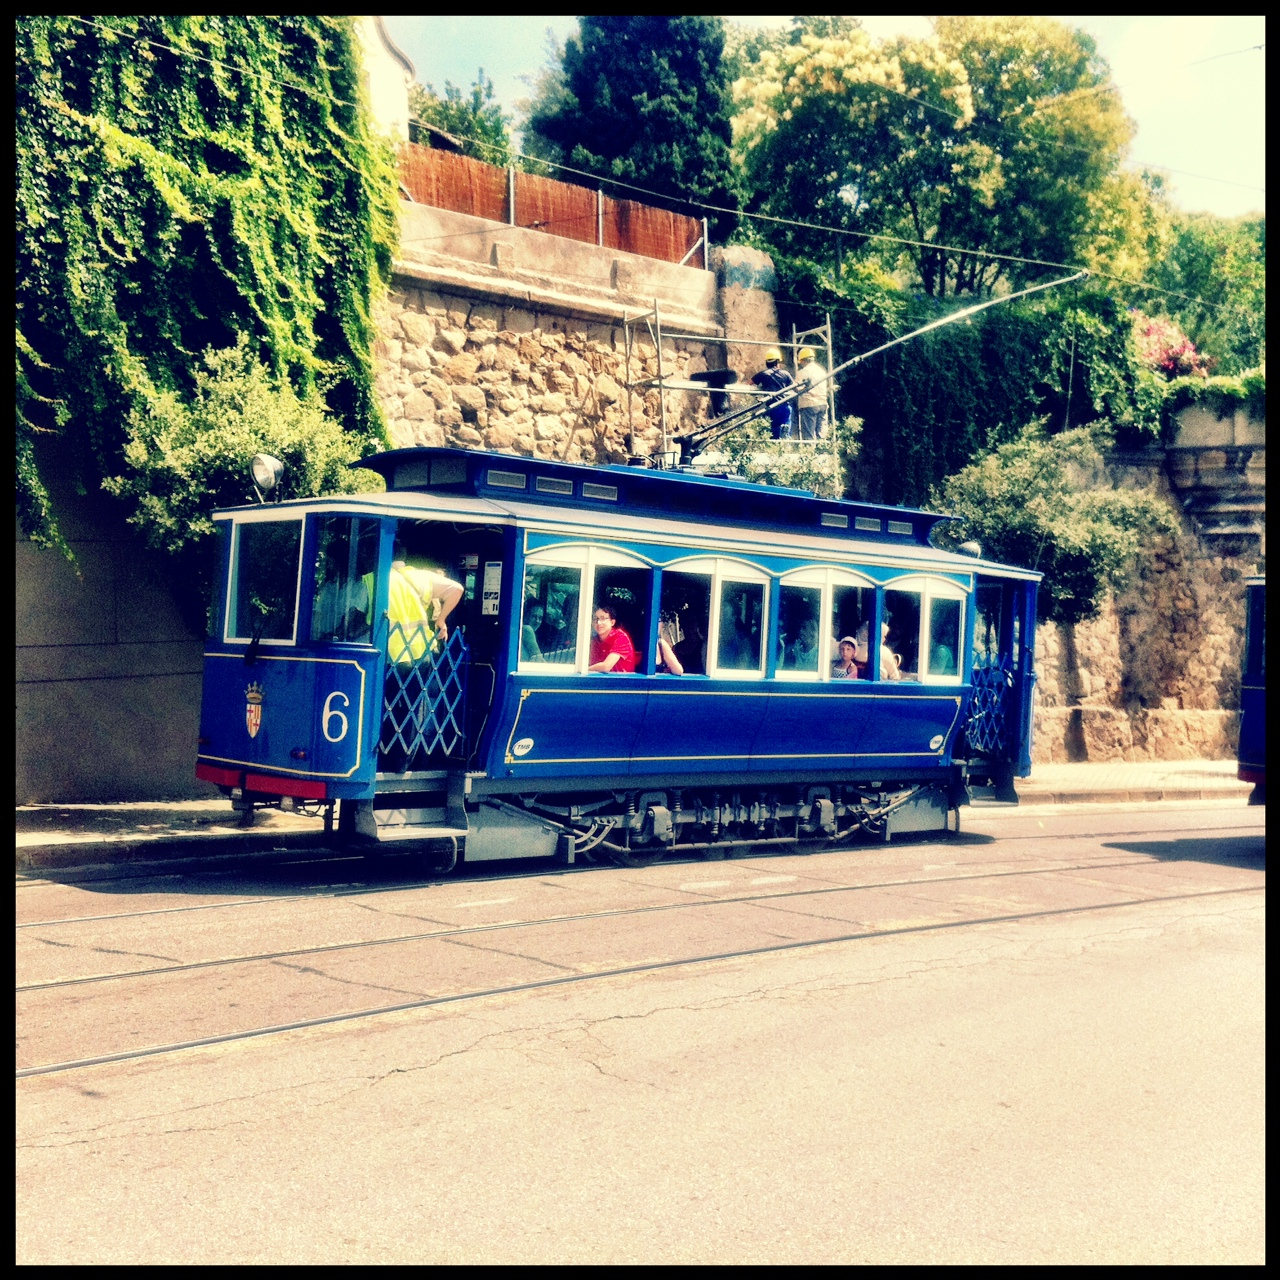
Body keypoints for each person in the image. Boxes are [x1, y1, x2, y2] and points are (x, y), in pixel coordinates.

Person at [752, 347, 795, 440]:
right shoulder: (786, 374)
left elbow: (749, 384)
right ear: (778, 362)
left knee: (772, 431)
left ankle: (776, 439)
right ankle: (784, 440)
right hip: (785, 406)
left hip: (771, 407)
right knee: (786, 429)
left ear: (767, 363)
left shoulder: (763, 374)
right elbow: (794, 387)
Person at [795, 347, 833, 441]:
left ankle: (809, 454)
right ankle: (822, 452)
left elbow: (796, 388)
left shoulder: (803, 372)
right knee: (822, 433)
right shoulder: (821, 371)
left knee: (808, 434)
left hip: (809, 404)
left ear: (803, 360)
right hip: (823, 403)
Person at [588, 603, 637, 673]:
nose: (598, 623)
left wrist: (584, 670)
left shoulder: (621, 638)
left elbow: (606, 667)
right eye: (595, 619)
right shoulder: (595, 641)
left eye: (603, 619)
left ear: (612, 622)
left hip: (620, 682)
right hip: (599, 681)